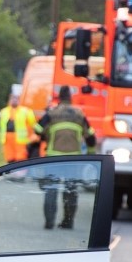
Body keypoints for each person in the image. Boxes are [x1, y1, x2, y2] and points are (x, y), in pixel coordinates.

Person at [36, 85, 97, 229]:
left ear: (59, 98)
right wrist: (91, 154)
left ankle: (49, 222)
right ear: (70, 97)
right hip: (73, 159)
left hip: (53, 157)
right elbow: (91, 137)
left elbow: (37, 129)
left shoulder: (52, 113)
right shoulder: (79, 114)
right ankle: (68, 221)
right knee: (70, 190)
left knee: (51, 189)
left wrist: (46, 136)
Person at [0, 90, 41, 164]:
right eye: (12, 98)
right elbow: (0, 125)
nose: (14, 100)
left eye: (16, 98)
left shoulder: (25, 111)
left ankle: (20, 175)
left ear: (19, 100)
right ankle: (11, 174)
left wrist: (40, 133)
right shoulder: (4, 111)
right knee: (9, 159)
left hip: (20, 141)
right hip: (7, 140)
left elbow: (34, 124)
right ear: (9, 100)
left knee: (20, 160)